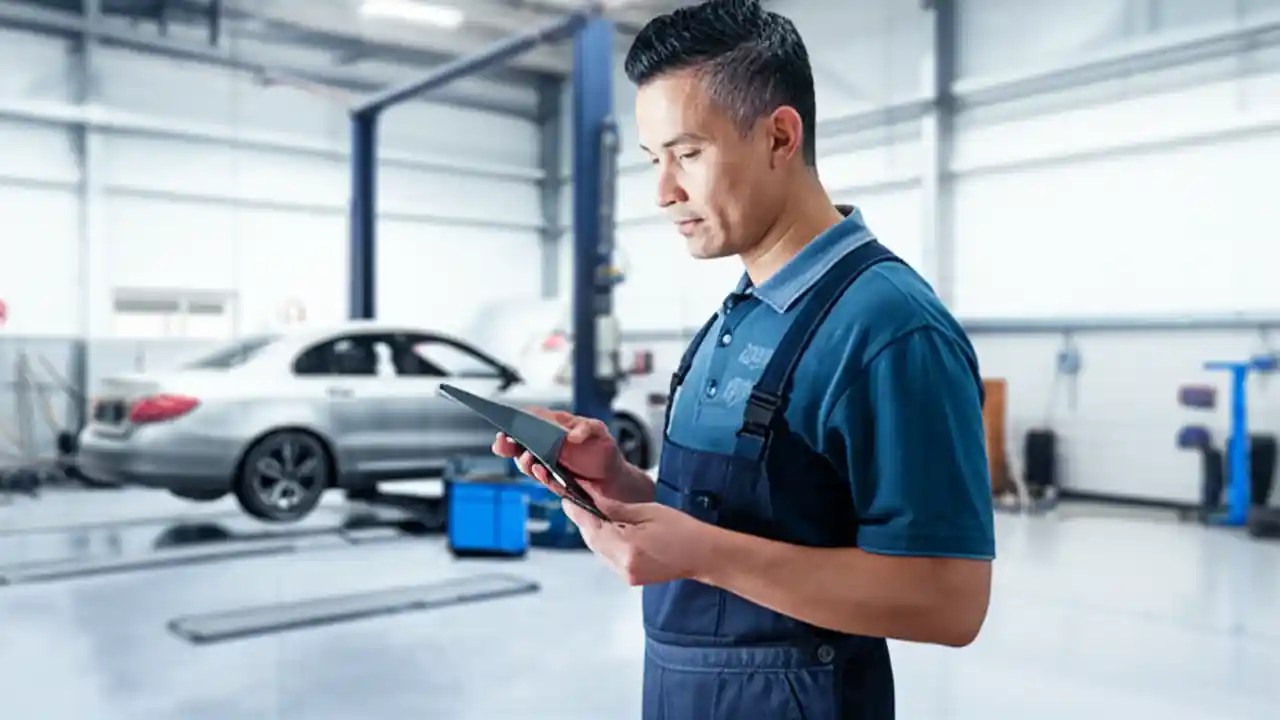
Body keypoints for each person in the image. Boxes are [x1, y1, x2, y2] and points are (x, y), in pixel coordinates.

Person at [492, 1, 995, 717]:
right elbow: (752, 517)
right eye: (653, 160)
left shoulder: (888, 328)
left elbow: (951, 602)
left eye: (688, 154)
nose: (664, 192)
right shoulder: (741, 309)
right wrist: (623, 485)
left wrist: (700, 554)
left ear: (780, 137)